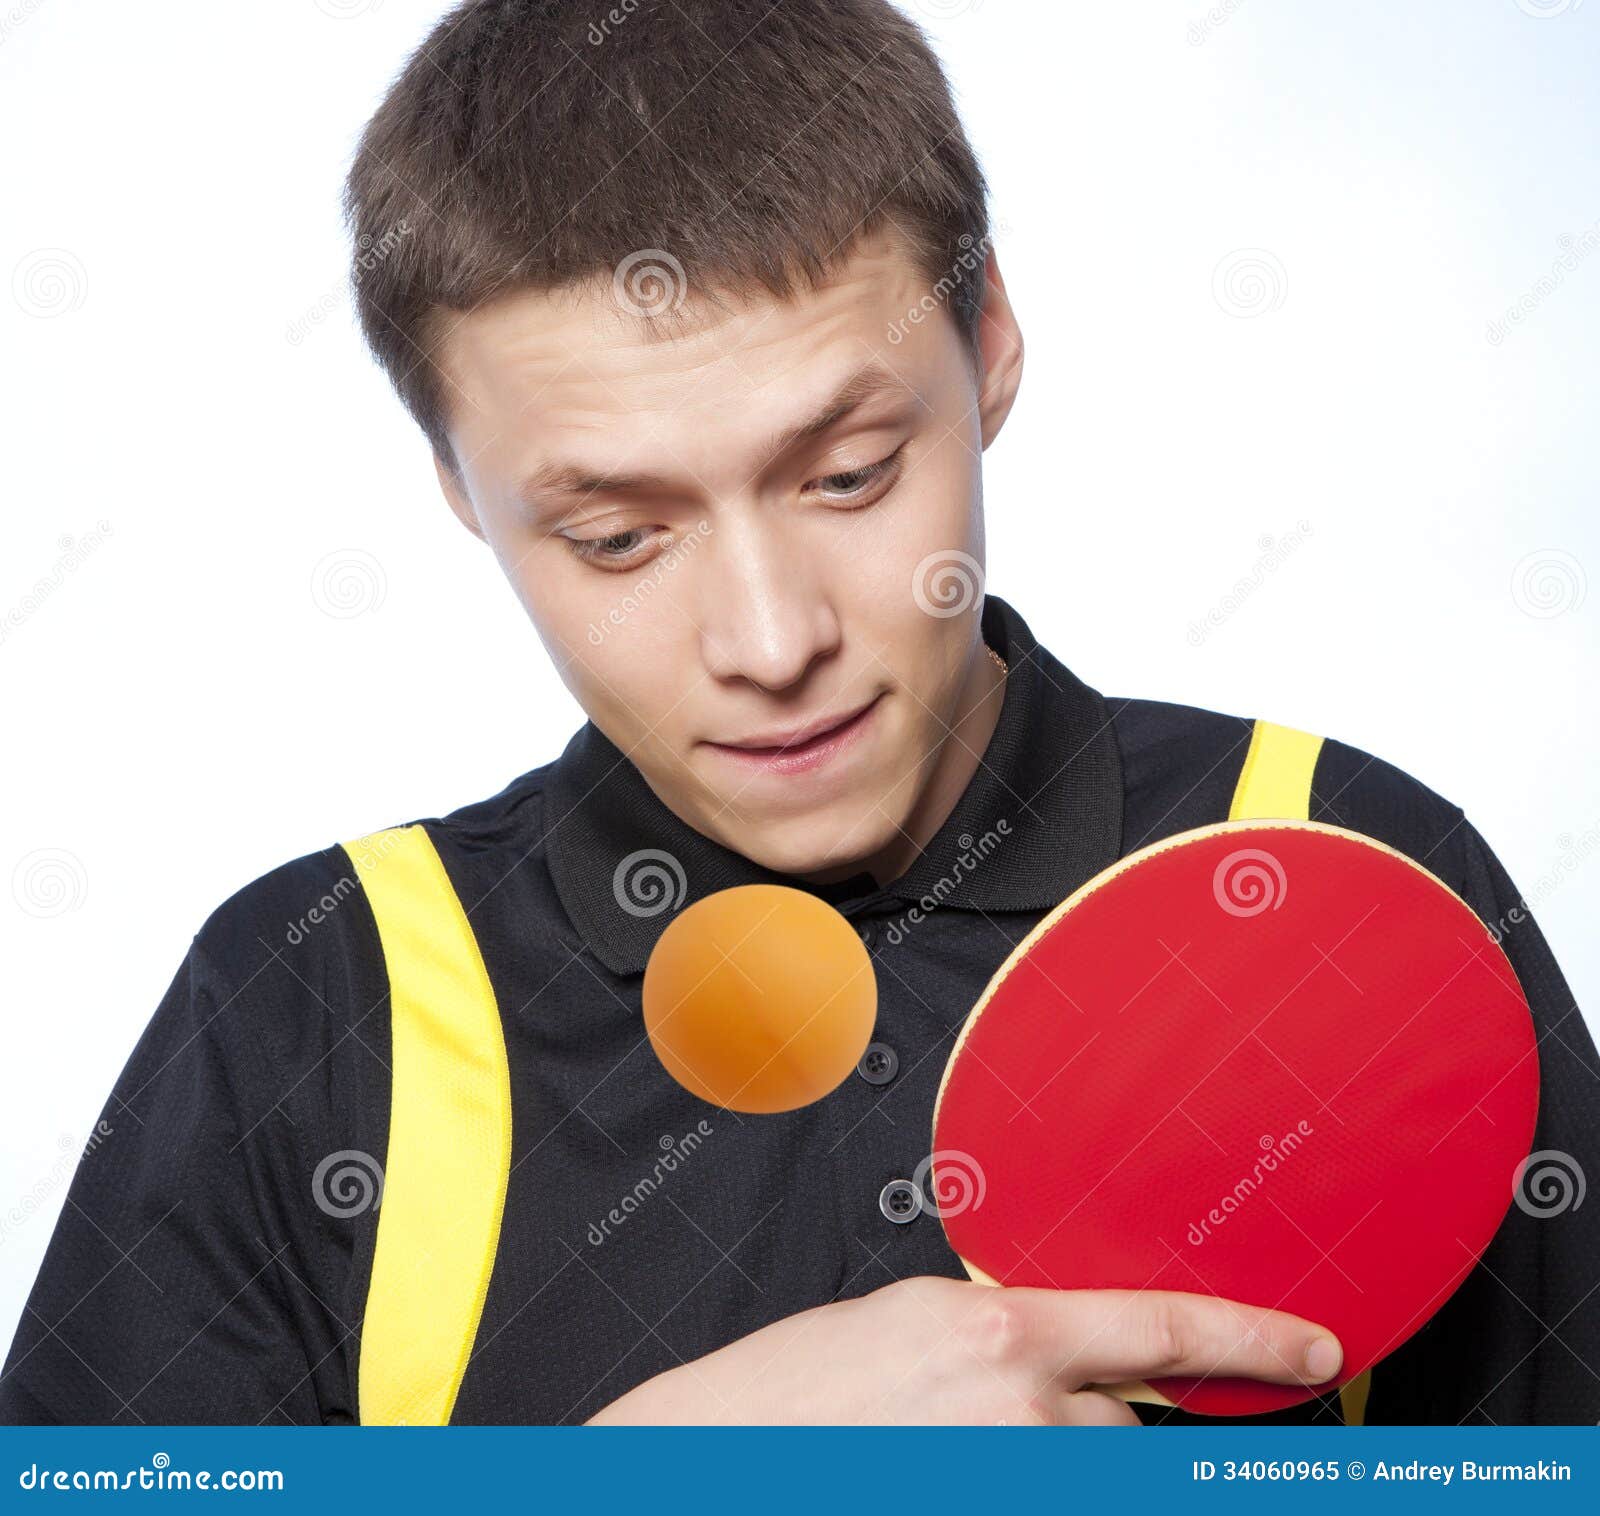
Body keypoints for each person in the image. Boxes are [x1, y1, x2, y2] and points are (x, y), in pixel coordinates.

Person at [2, 0, 1593, 1427]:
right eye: (618, 535)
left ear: (989, 347)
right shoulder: (313, 1007)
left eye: (848, 475)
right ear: (461, 494)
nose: (770, 641)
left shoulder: (1347, 875)